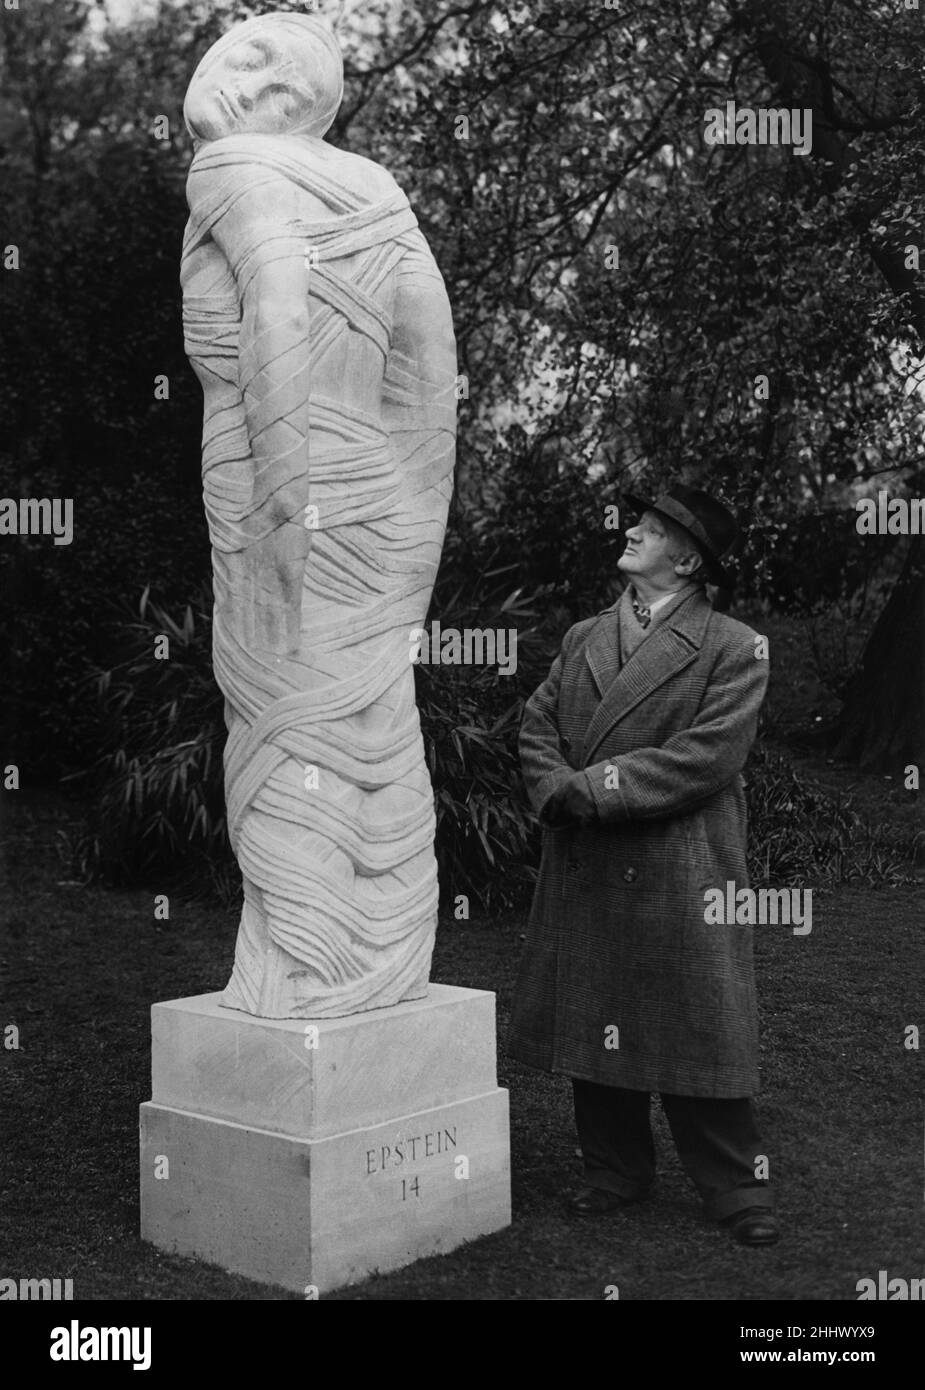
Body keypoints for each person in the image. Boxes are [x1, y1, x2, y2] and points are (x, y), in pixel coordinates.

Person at [508, 484, 779, 1246]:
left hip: (680, 863)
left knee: (702, 1023)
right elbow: (534, 726)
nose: (629, 532)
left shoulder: (734, 645)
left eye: (650, 529)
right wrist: (551, 786)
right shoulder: (582, 637)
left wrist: (592, 788)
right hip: (589, 858)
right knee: (598, 1012)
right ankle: (612, 1171)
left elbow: (709, 756)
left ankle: (734, 1189)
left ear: (686, 559)